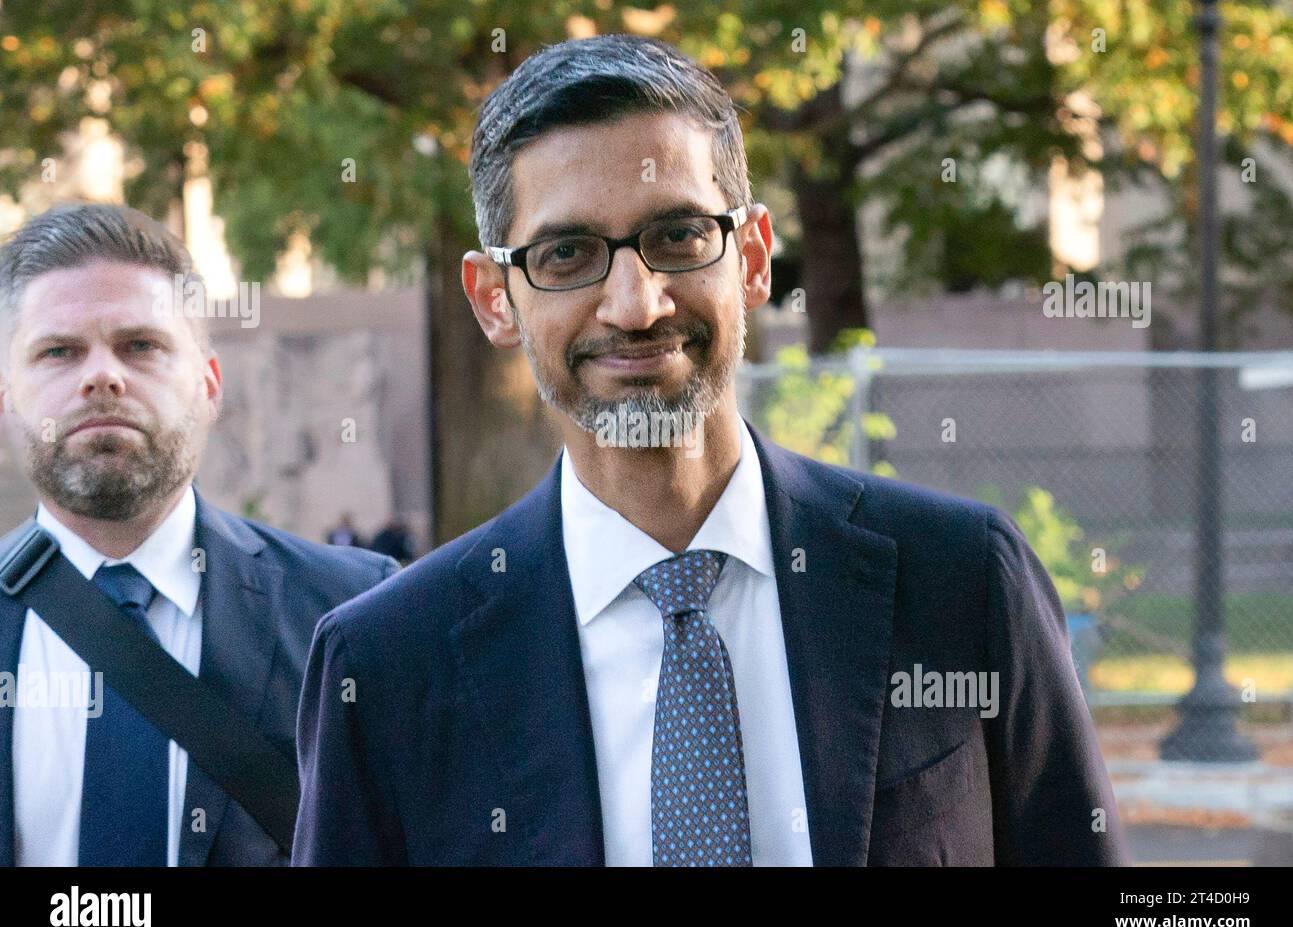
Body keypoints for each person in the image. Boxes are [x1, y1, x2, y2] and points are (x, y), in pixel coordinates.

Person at [294, 34, 1127, 866]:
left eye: (678, 236)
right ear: (494, 300)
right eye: (566, 254)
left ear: (753, 259)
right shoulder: (388, 666)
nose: (635, 305)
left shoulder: (962, 581)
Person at [0, 204, 399, 866]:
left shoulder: (357, 612)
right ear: (7, 400)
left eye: (141, 346)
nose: (102, 376)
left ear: (210, 387)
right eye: (58, 351)